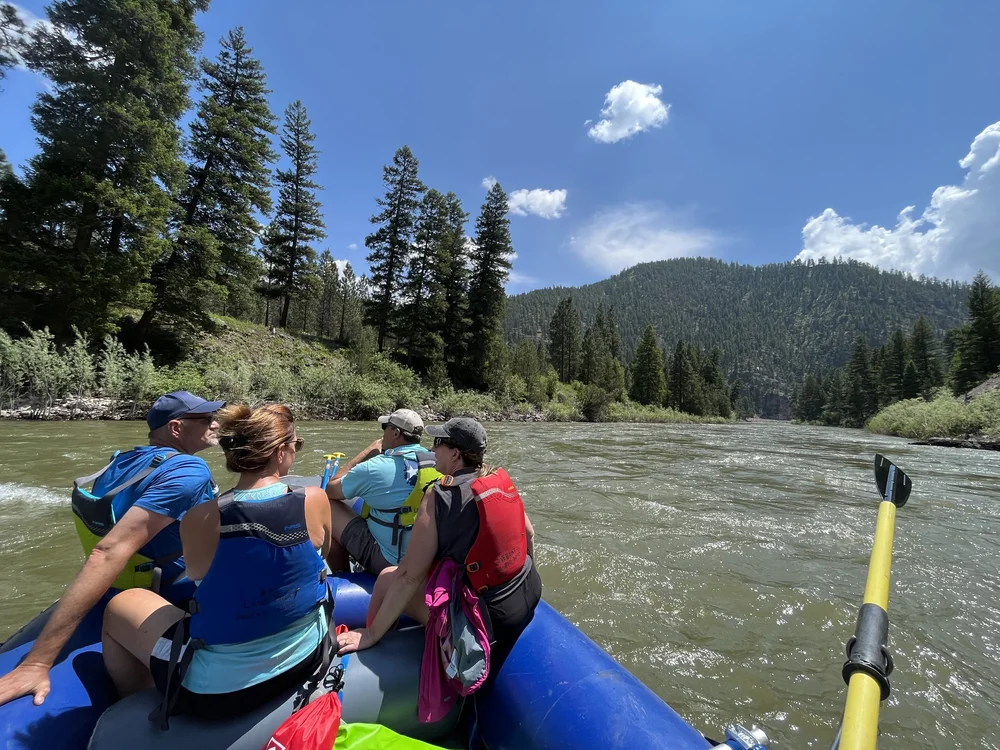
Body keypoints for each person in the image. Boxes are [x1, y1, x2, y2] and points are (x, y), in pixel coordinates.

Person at [100, 403, 334, 723]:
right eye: (297, 444)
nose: (296, 450)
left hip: (221, 692)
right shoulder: (315, 498)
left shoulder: (200, 517)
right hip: (311, 656)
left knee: (121, 605)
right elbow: (322, 554)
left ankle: (133, 712)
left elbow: (198, 576)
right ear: (280, 452)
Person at [0, 390, 222, 709]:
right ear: (176, 428)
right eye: (206, 419)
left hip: (121, 584)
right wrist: (37, 662)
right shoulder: (189, 470)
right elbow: (107, 552)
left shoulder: (122, 460)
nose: (215, 424)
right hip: (165, 592)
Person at [336, 417, 542, 674]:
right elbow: (529, 534)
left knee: (388, 578)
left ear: (455, 454)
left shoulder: (438, 496)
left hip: (488, 620)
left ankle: (376, 643)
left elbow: (410, 576)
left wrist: (370, 634)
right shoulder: (495, 480)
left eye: (438, 443)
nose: (432, 449)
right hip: (528, 593)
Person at [324, 409, 441, 575]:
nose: (383, 433)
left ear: (396, 433)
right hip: (425, 560)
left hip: (389, 561)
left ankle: (342, 575)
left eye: (385, 427)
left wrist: (367, 453)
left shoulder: (373, 467)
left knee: (326, 506)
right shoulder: (438, 463)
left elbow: (330, 490)